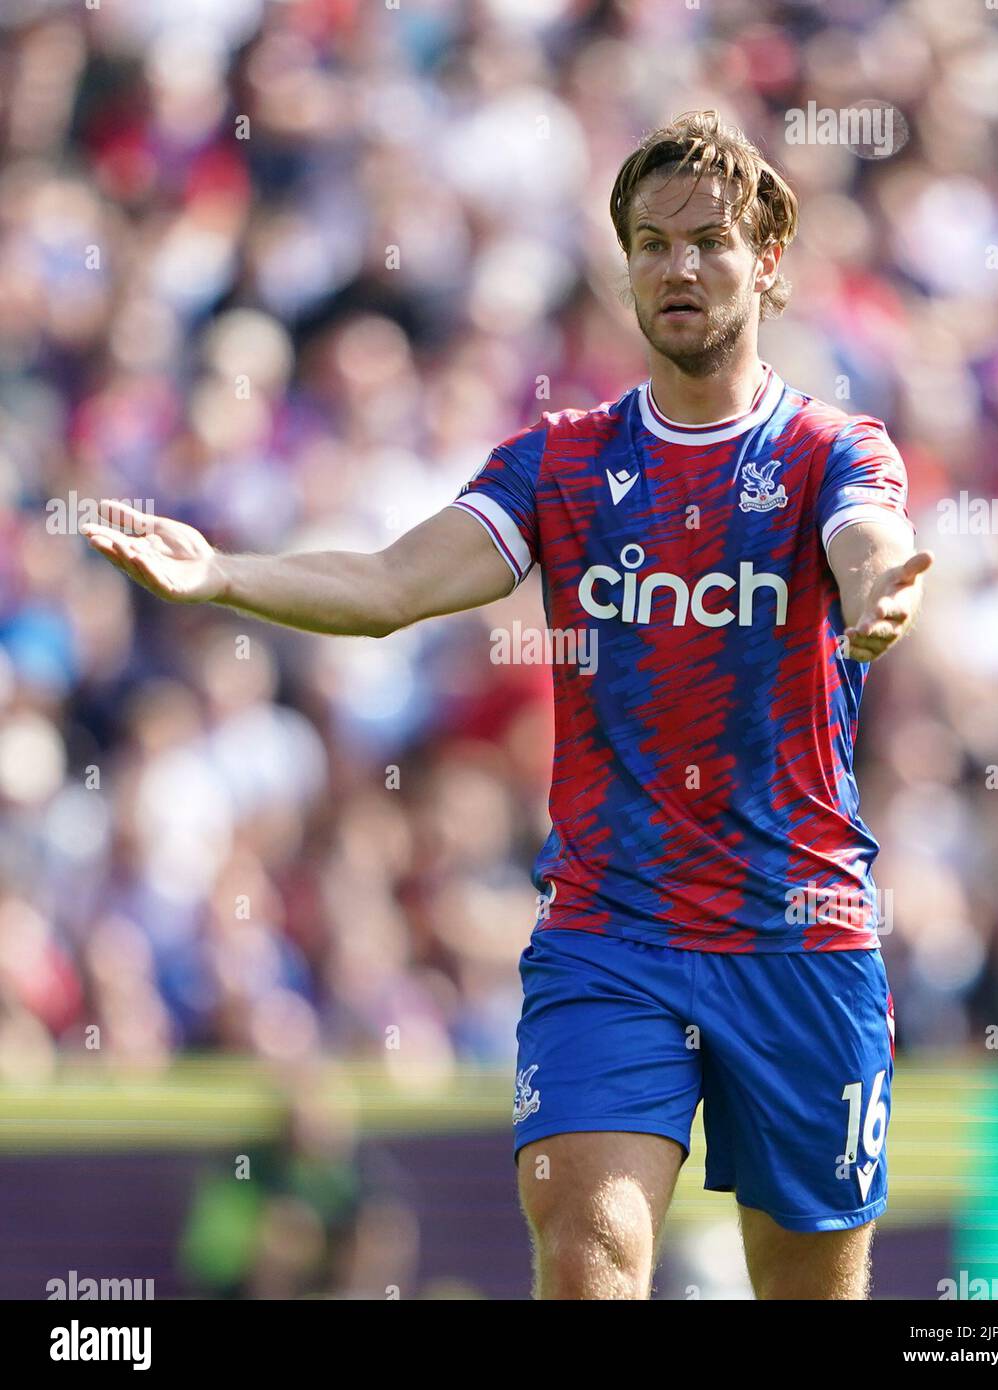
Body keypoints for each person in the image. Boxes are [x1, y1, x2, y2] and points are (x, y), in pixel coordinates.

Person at [82, 109, 932, 1301]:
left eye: (706, 241)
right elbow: (387, 585)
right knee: (587, 1248)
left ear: (768, 260)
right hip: (609, 933)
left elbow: (865, 534)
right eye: (648, 243)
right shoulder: (559, 463)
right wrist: (223, 571)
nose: (676, 267)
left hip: (798, 933)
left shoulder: (830, 449)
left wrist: (876, 583)